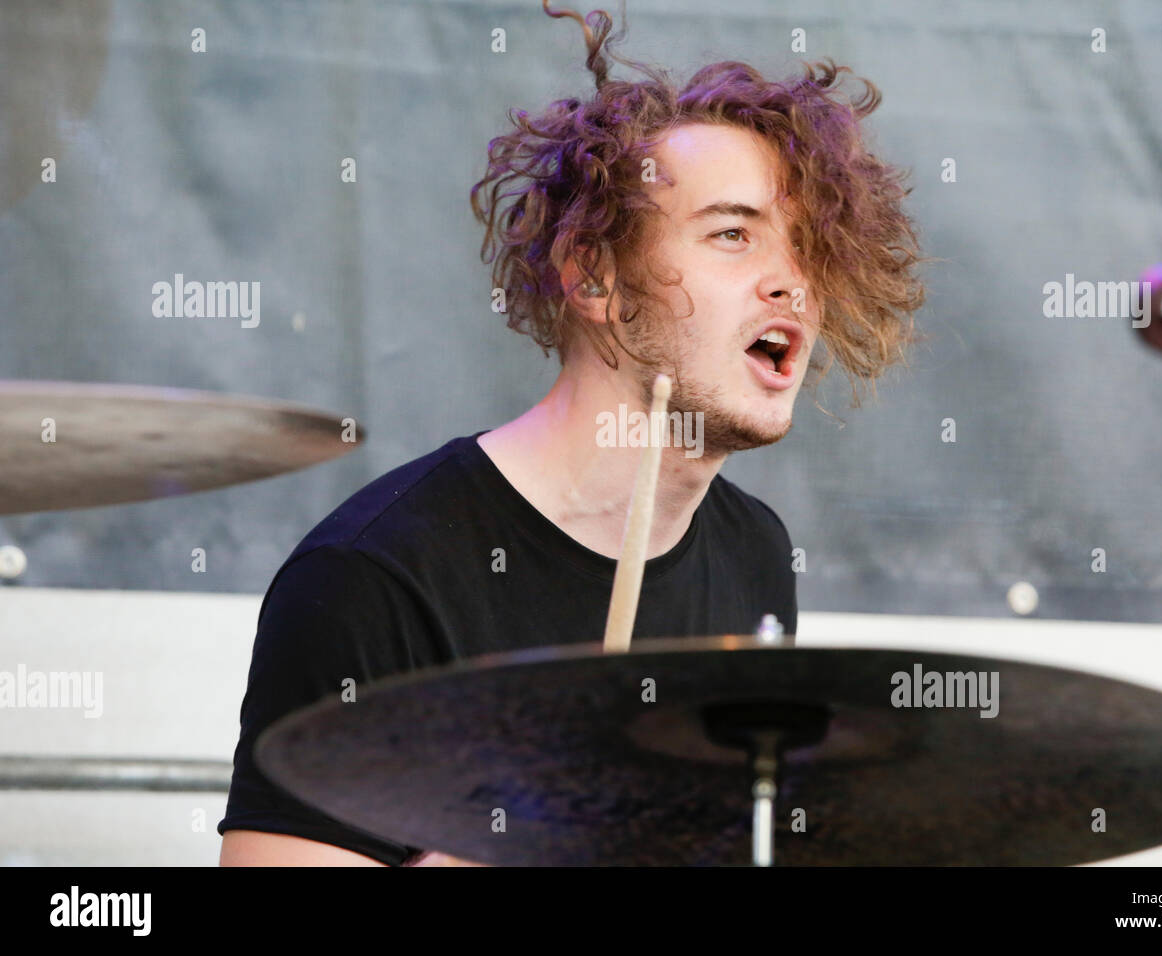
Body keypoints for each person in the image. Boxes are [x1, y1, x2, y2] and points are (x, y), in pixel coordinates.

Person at [218, 1, 924, 866]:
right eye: (733, 234)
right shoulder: (378, 575)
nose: (793, 287)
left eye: (808, 253)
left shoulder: (754, 553)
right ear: (593, 276)